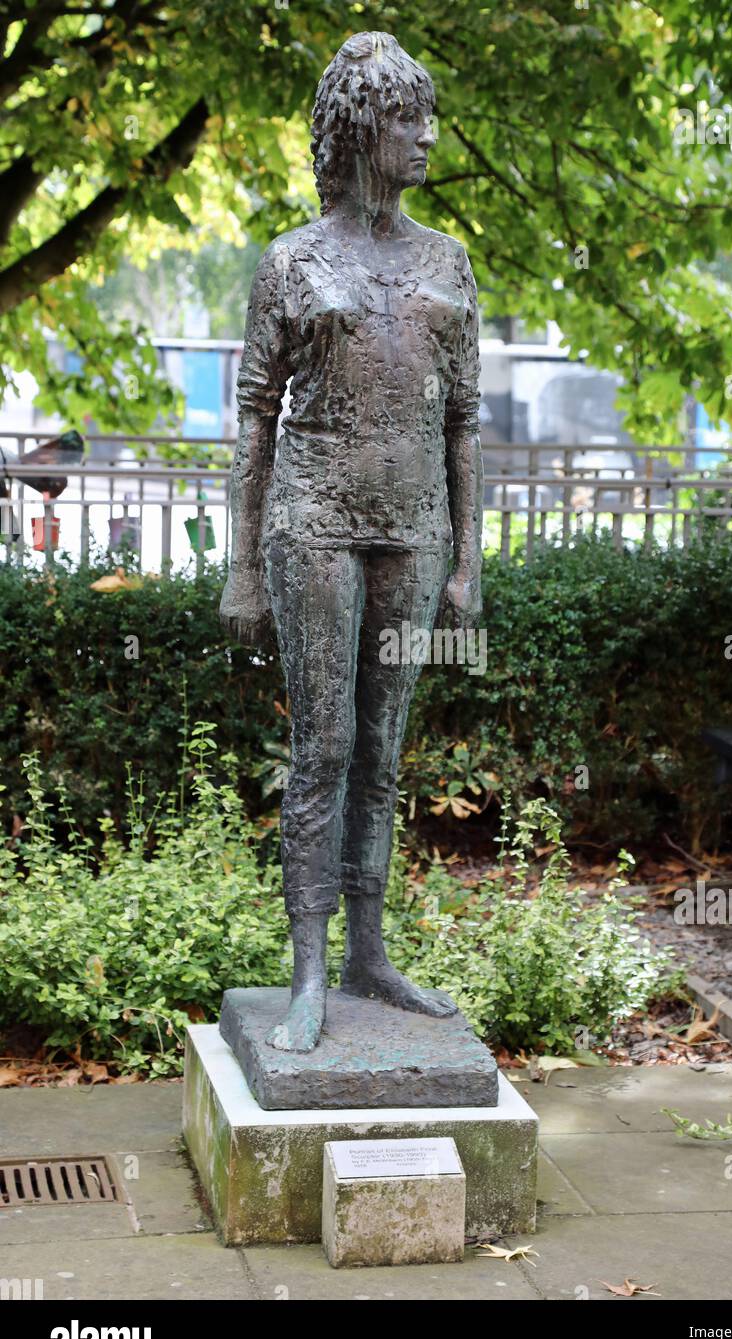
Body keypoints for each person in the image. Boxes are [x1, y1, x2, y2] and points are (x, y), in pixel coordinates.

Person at [220, 32, 483, 1052]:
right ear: (356, 129)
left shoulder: (446, 260)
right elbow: (251, 416)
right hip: (314, 521)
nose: (423, 135)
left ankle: (370, 951)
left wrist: (469, 558)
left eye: (425, 115)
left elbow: (464, 419)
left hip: (415, 528)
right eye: (404, 118)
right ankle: (306, 972)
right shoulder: (291, 260)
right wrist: (242, 566)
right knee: (321, 746)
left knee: (381, 752)